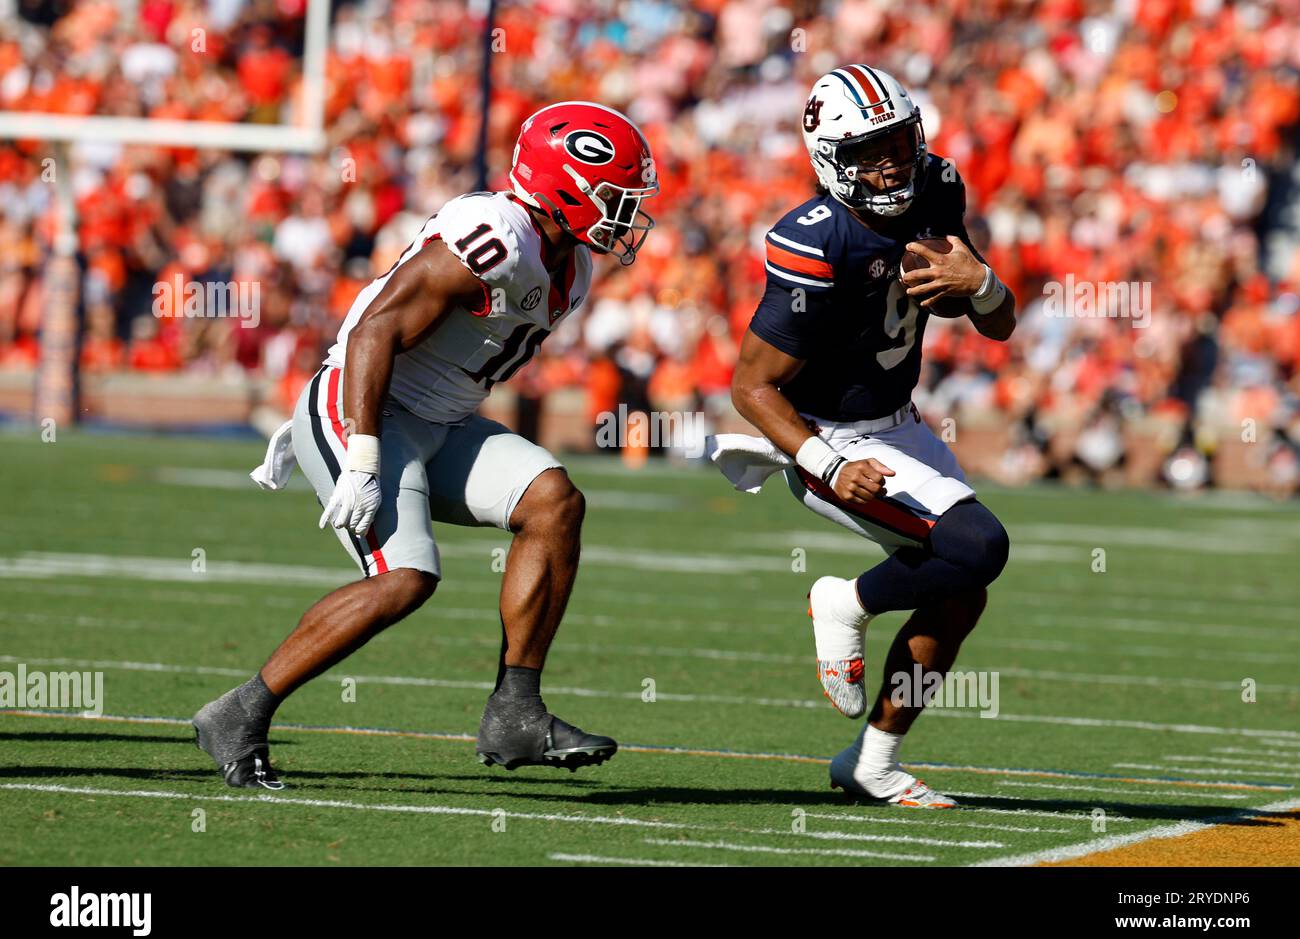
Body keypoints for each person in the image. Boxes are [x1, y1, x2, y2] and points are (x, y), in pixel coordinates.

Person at [193, 102, 659, 789]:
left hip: (441, 423)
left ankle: (516, 712)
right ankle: (237, 713)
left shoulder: (572, 266)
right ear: (565, 184)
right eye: (615, 196)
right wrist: (361, 456)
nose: (625, 214)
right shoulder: (494, 237)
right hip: (364, 406)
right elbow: (373, 331)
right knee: (405, 578)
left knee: (553, 502)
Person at [721, 65, 1015, 808]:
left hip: (901, 425)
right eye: (866, 153)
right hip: (828, 436)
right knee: (980, 547)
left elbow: (996, 320)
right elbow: (751, 386)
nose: (888, 165)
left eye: (895, 143)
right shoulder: (814, 239)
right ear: (829, 161)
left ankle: (872, 762)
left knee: (960, 593)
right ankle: (844, 601)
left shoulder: (939, 185)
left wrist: (978, 283)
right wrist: (823, 461)